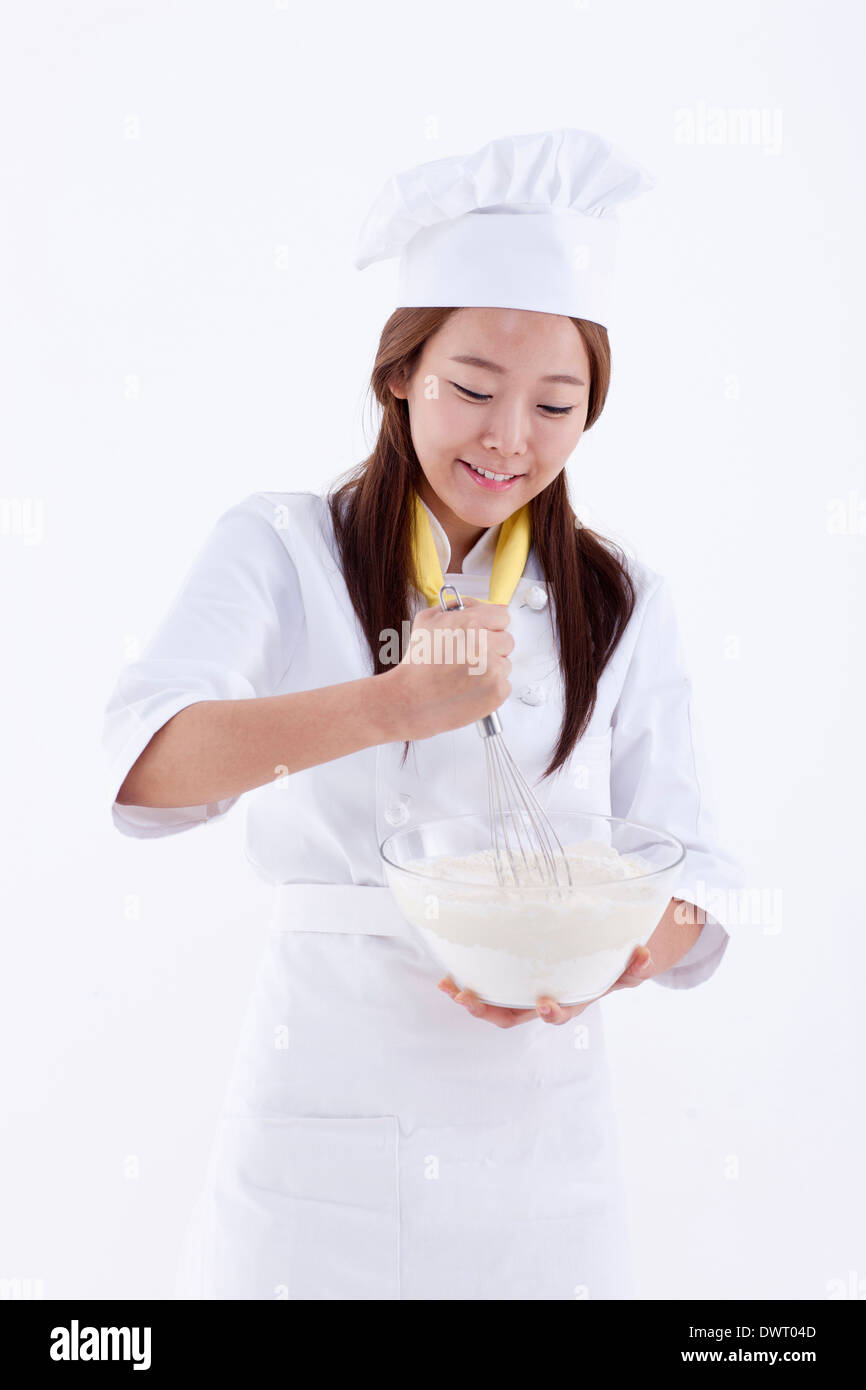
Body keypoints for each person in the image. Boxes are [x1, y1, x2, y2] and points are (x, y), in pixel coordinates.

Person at [102, 128, 744, 1301]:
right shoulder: (282, 545)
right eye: (471, 388)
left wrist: (607, 958)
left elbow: (694, 876)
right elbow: (147, 771)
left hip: (543, 1136)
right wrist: (393, 702)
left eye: (556, 404)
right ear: (399, 373)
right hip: (321, 1113)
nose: (509, 438)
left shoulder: (619, 597)